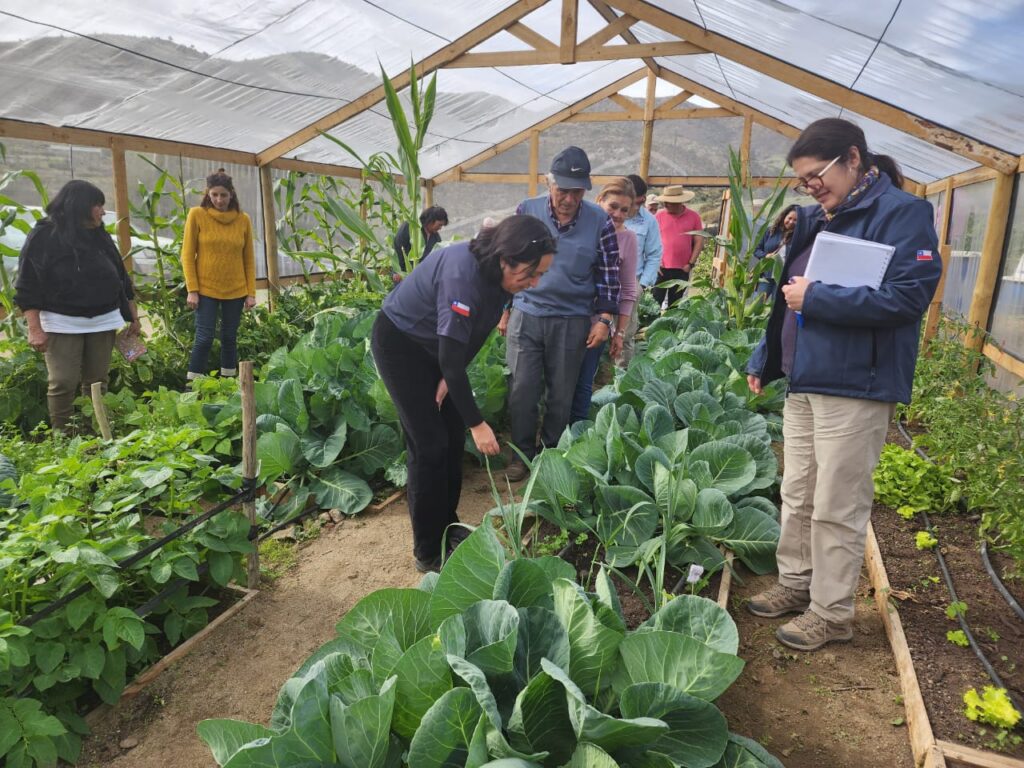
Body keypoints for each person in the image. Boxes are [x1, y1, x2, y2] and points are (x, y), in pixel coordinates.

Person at [745, 118, 941, 652]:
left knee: (838, 502)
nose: (811, 186)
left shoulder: (902, 214)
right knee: (798, 491)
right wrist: (767, 354)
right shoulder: (820, 216)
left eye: (817, 175)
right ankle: (796, 582)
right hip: (805, 376)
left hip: (856, 382)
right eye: (803, 180)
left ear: (853, 159)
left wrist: (820, 298)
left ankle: (831, 613)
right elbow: (782, 287)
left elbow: (908, 298)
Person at [371, 215, 555, 572]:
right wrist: (478, 424)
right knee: (429, 445)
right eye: (531, 273)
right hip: (401, 344)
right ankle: (428, 551)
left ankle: (448, 526)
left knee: (452, 439)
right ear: (506, 259)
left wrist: (447, 375)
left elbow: (474, 335)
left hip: (438, 349)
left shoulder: (499, 275)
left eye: (540, 275)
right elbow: (452, 359)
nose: (534, 282)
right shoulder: (463, 276)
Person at [501, 146, 621, 481]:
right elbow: (508, 261)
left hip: (572, 318)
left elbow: (609, 272)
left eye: (577, 192)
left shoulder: (600, 221)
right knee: (522, 389)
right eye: (562, 190)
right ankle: (521, 455)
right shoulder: (527, 211)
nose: (569, 199)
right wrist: (504, 309)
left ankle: (551, 454)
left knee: (562, 392)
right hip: (527, 313)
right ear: (549, 183)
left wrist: (604, 319)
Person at [14, 180, 140, 432]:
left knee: (97, 382)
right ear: (80, 206)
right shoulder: (45, 235)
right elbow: (27, 284)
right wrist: (34, 328)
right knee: (62, 381)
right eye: (98, 205)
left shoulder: (99, 234)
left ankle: (93, 435)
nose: (103, 212)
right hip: (61, 321)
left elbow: (120, 276)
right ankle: (64, 437)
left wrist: (133, 316)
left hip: (104, 319)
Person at [570, 177, 639, 422]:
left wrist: (619, 332)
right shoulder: (579, 227)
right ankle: (553, 433)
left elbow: (628, 289)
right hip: (566, 316)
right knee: (558, 381)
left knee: (583, 382)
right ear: (599, 201)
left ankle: (575, 434)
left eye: (624, 210)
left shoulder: (628, 239)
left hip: (598, 323)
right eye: (613, 206)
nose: (618, 214)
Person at [181, 169, 255, 382]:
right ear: (208, 193)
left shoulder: (243, 220)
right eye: (214, 195)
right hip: (205, 290)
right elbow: (187, 255)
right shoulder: (197, 215)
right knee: (204, 339)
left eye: (223, 195)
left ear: (231, 194)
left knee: (229, 338)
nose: (219, 200)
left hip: (236, 290)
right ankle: (192, 386)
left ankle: (228, 384)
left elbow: (248, 259)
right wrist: (192, 290)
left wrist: (251, 293)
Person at [620, 174, 664, 366]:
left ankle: (621, 376)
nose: (637, 207)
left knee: (625, 334)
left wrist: (642, 285)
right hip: (603, 280)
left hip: (632, 282)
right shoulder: (607, 214)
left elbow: (654, 254)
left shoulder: (649, 221)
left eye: (640, 203)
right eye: (635, 203)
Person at [653, 185, 704, 309]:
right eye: (664, 202)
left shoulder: (694, 217)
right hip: (661, 268)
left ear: (679, 202)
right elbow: (651, 240)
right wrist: (655, 263)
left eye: (669, 202)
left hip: (682, 269)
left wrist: (690, 264)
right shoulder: (659, 216)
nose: (665, 204)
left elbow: (699, 241)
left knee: (675, 306)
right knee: (654, 304)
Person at [752, 204, 798, 297]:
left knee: (775, 304)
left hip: (783, 279)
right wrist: (765, 256)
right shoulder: (770, 231)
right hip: (766, 277)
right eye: (789, 218)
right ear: (784, 216)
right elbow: (756, 250)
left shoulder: (798, 237)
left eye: (795, 220)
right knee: (758, 302)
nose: (791, 222)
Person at [393, 206, 448, 279]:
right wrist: (398, 271)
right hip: (404, 274)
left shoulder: (436, 238)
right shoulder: (411, 227)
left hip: (423, 277)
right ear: (431, 221)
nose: (440, 228)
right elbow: (397, 248)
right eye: (439, 225)